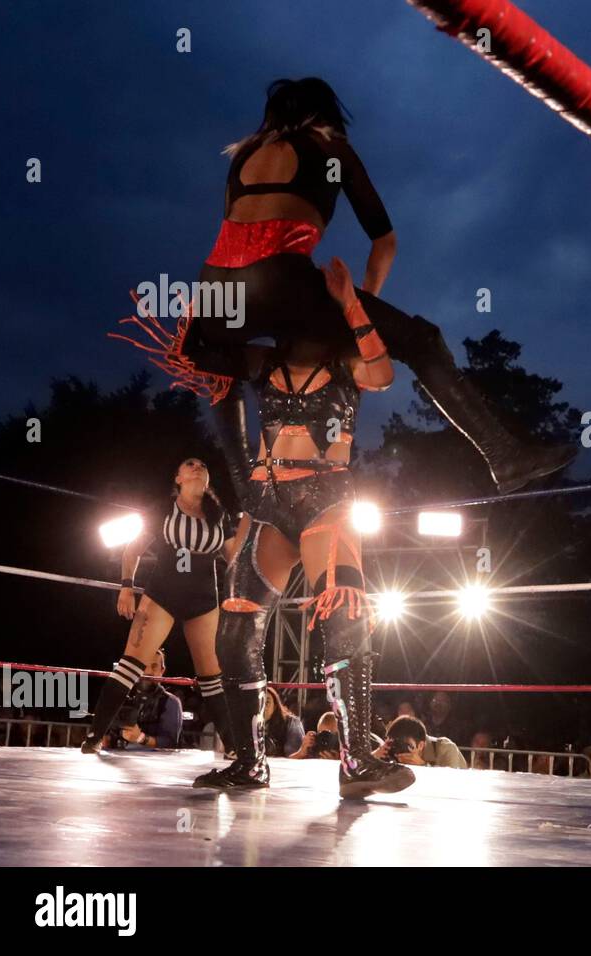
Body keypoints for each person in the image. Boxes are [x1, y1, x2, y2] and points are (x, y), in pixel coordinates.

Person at [115, 77, 573, 505]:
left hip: (212, 295)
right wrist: (358, 316)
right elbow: (384, 242)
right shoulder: (332, 148)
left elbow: (240, 231)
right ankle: (503, 454)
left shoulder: (244, 154)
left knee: (230, 368)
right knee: (421, 341)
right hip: (281, 282)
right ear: (327, 114)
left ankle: (245, 489)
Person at [188, 257, 413, 798]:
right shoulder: (263, 361)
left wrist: (350, 300)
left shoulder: (344, 362)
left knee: (345, 612)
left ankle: (357, 761)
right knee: (236, 630)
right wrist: (216, 292)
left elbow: (383, 374)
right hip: (268, 503)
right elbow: (198, 351)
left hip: (324, 502)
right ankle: (249, 761)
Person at [82, 459, 235, 754]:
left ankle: (232, 746)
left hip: (203, 600)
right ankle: (94, 735)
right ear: (177, 477)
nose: (197, 467)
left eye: (203, 465)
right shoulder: (164, 509)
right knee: (130, 663)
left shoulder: (219, 515)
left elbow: (235, 559)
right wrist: (126, 586)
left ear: (208, 477)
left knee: (211, 676)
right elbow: (133, 549)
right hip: (163, 594)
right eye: (189, 465)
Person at [90, 650, 184, 751]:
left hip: (156, 762)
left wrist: (141, 738)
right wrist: (105, 738)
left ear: (162, 671)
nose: (147, 671)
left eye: (154, 666)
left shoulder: (170, 702)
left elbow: (171, 743)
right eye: (143, 666)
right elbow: (108, 736)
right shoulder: (122, 698)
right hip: (120, 759)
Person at [374, 716, 467, 769]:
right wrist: (374, 757)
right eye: (396, 745)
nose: (400, 751)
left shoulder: (446, 748)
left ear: (421, 745)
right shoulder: (390, 752)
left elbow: (451, 783)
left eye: (406, 745)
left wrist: (423, 766)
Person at [262, 686, 305, 757]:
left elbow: (295, 754)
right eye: (259, 702)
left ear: (275, 706)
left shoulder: (291, 723)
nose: (263, 707)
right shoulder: (249, 725)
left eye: (267, 702)